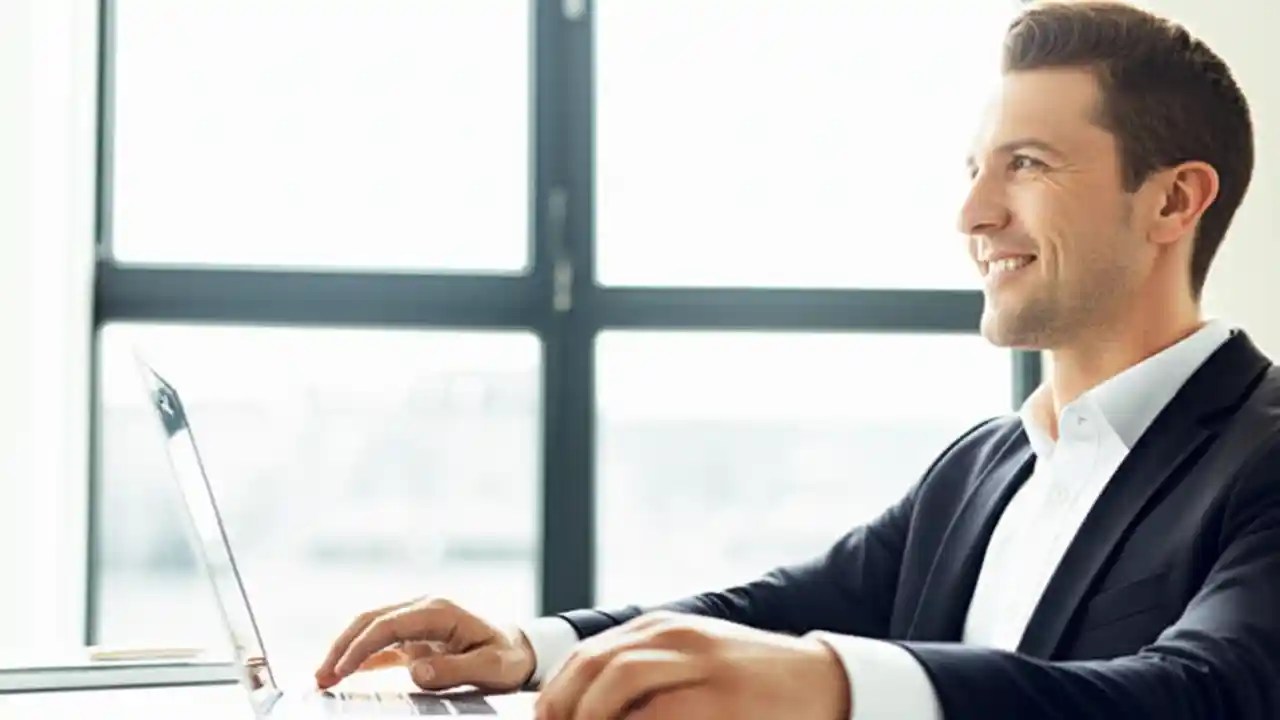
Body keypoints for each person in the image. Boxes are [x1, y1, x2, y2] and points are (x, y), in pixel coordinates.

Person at [314, 2, 1280, 718]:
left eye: (1026, 165)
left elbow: (1207, 693)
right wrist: (533, 648)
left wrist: (834, 682)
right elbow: (781, 606)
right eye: (974, 168)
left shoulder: (1260, 457)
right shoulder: (987, 466)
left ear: (1172, 202)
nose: (973, 213)